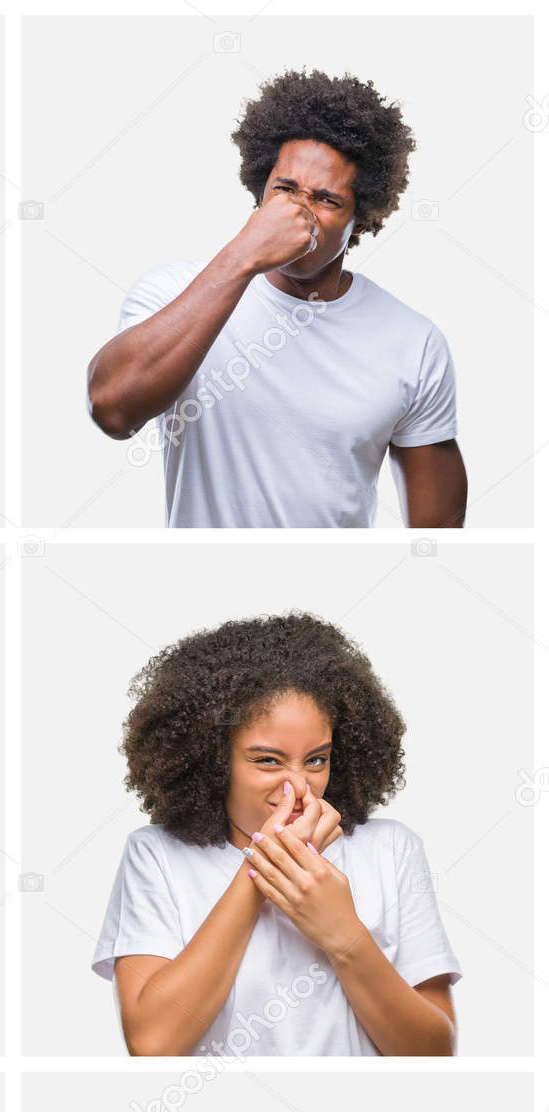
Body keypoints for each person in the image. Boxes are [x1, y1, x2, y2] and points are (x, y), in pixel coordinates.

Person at [85, 69, 465, 529]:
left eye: (326, 199)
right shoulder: (173, 292)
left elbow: (437, 537)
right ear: (259, 190)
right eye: (284, 189)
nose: (298, 211)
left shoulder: (414, 342)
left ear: (360, 219)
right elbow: (113, 410)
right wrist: (244, 256)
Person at [92, 612, 459, 1056]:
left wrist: (342, 932)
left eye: (317, 760)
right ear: (213, 761)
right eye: (268, 761)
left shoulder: (391, 849)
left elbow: (433, 1054)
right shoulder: (155, 855)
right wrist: (266, 865)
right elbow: (154, 1044)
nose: (299, 787)